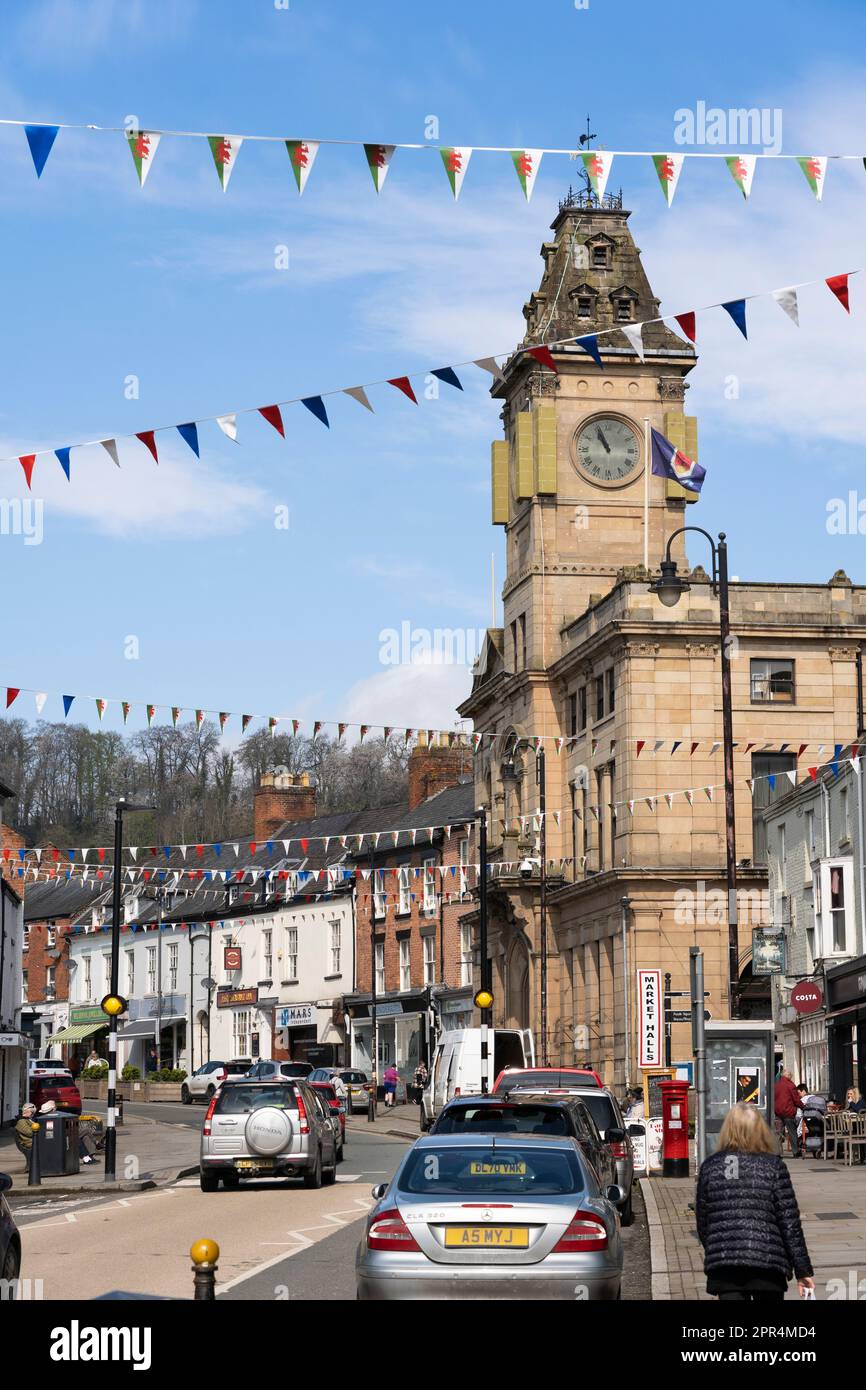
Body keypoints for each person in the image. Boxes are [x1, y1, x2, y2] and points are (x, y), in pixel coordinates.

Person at [696, 1102, 815, 1302]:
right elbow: (789, 1223)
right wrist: (803, 1270)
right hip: (767, 1263)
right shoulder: (773, 1166)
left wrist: (718, 1249)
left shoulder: (711, 1166)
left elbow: (703, 1220)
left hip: (726, 1267)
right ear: (761, 1130)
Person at [775, 1069, 804, 1157]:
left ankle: (777, 1152)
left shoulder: (776, 1085)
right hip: (788, 1112)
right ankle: (795, 1152)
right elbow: (796, 1099)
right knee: (792, 1132)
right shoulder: (791, 1085)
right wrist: (803, 1106)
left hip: (778, 1112)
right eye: (791, 1076)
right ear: (789, 1076)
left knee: (778, 1132)